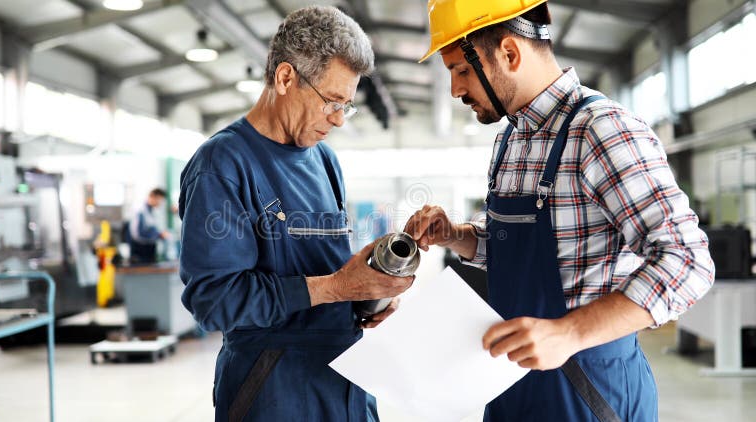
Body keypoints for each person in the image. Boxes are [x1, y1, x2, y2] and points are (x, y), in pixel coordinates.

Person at [405, 1, 715, 421]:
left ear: (509, 53)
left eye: (460, 70)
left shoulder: (602, 130)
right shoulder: (510, 139)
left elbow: (688, 260)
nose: (455, 90)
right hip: (510, 381)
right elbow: (527, 249)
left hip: (590, 388)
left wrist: (569, 334)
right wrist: (457, 236)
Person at [178, 6, 413, 422]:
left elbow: (325, 269)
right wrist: (337, 288)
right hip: (272, 390)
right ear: (286, 78)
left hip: (345, 383)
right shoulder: (223, 164)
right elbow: (214, 301)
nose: (339, 120)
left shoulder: (324, 160)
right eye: (332, 102)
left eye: (347, 106)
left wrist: (366, 296)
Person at [127, 187, 170, 264]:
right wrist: (158, 235)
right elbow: (137, 234)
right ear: (153, 197)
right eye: (159, 200)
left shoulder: (151, 211)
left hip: (149, 250)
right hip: (140, 252)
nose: (160, 203)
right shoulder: (140, 210)